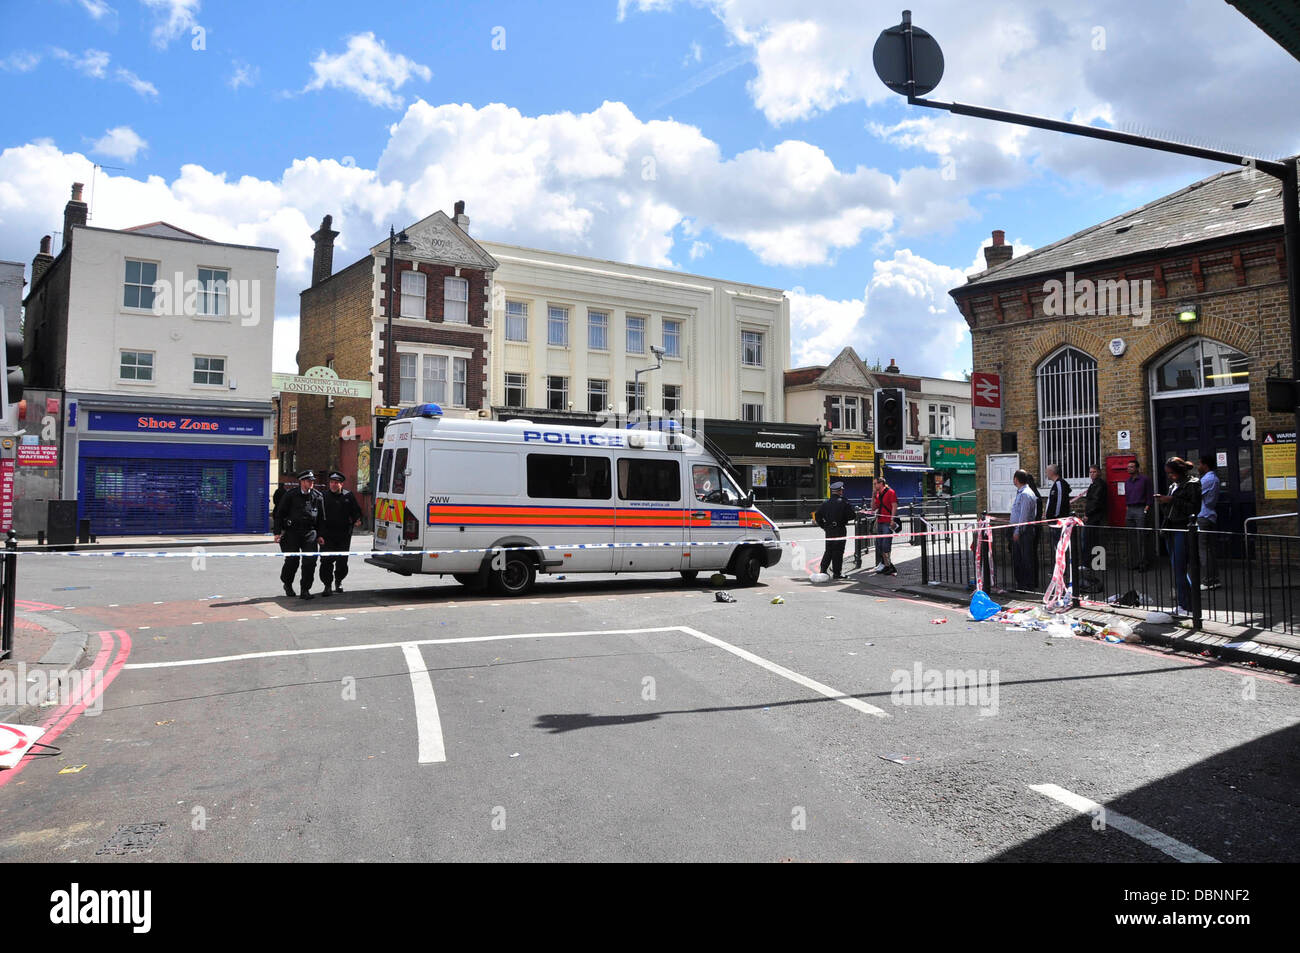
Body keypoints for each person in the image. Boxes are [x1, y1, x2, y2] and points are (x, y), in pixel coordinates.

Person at [1155, 457, 1200, 616]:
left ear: (1180, 471)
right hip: (1171, 528)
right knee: (1176, 568)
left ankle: (1188, 606)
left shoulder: (1193, 485)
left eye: (1171, 473)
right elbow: (1171, 509)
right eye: (1167, 473)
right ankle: (1184, 604)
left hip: (1184, 529)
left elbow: (1194, 508)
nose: (1169, 476)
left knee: (1181, 568)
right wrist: (1164, 502)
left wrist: (1172, 499)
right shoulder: (1174, 485)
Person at [272, 469, 325, 600]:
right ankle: (287, 583)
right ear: (301, 482)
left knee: (310, 561)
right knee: (292, 561)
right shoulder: (290, 495)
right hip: (292, 533)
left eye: (312, 481)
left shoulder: (317, 496)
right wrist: (277, 532)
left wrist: (320, 535)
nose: (311, 483)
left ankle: (305, 589)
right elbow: (280, 514)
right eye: (308, 481)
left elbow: (321, 518)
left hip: (310, 533)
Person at [319, 470, 364, 596]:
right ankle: (327, 585)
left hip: (343, 535)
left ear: (341, 484)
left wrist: (357, 520)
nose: (334, 484)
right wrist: (319, 533)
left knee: (342, 562)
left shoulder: (348, 496)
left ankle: (338, 581)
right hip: (327, 535)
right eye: (332, 482)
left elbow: (356, 511)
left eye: (336, 483)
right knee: (326, 562)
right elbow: (318, 516)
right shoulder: (323, 496)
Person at [814, 481, 856, 580]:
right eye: (842, 490)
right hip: (840, 529)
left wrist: (824, 526)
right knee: (838, 551)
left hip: (829, 529)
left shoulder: (825, 503)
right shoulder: (843, 502)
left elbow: (817, 516)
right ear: (840, 491)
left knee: (828, 550)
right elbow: (851, 516)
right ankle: (837, 573)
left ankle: (823, 571)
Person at [1009, 469, 1039, 591]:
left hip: (1023, 532)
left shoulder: (1026, 494)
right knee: (1019, 558)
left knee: (1024, 559)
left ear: (1016, 479)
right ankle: (1021, 584)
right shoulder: (1022, 492)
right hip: (1021, 530)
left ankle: (1026, 585)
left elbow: (1024, 515)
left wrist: (1017, 531)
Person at [1124, 459, 1155, 571]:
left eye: (1131, 466)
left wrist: (1146, 508)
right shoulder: (1127, 481)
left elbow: (1149, 495)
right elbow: (1127, 496)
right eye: (1128, 467)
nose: (1129, 468)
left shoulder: (1145, 480)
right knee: (1131, 537)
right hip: (1130, 510)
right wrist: (1127, 507)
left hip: (1140, 508)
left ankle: (1143, 563)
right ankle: (1134, 562)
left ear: (1137, 468)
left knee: (1141, 537)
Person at [1196, 454, 1221, 590]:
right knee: (1210, 550)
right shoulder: (1213, 478)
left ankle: (1208, 581)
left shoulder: (1208, 479)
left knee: (1204, 550)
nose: (1198, 467)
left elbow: (1195, 494)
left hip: (1203, 516)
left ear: (1205, 465)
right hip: (1209, 516)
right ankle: (1214, 579)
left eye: (1199, 464)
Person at [870, 475, 899, 576]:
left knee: (885, 545)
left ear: (881, 483)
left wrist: (892, 520)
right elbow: (873, 508)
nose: (874, 485)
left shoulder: (891, 492)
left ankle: (890, 566)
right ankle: (887, 566)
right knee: (880, 545)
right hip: (880, 522)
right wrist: (873, 496)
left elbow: (894, 506)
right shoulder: (878, 494)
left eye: (875, 483)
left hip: (887, 522)